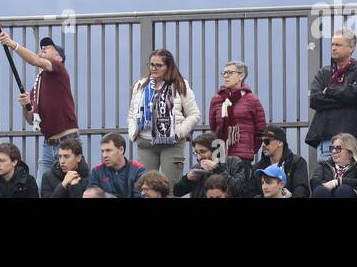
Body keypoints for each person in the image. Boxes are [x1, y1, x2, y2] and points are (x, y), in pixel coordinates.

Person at [0, 30, 79, 187]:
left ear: (59, 58)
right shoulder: (38, 84)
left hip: (68, 141)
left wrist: (12, 44)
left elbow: (35, 60)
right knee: (41, 188)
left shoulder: (58, 69)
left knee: (72, 187)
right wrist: (25, 106)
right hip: (48, 145)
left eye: (49, 47)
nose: (44, 47)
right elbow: (30, 119)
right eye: (43, 46)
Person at [128, 49, 200, 185]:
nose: (153, 68)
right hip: (145, 143)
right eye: (151, 64)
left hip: (171, 144)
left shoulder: (180, 85)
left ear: (168, 66)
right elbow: (132, 113)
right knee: (146, 188)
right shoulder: (141, 85)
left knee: (171, 187)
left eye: (158, 65)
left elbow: (194, 114)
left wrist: (179, 132)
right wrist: (133, 132)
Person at [306, 28, 357, 154]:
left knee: (351, 174)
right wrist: (346, 99)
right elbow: (314, 100)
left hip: (351, 141)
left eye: (338, 45)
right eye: (332, 44)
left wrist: (329, 91)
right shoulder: (324, 73)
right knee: (326, 173)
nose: (333, 48)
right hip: (326, 141)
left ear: (351, 48)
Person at [208, 59, 267, 163]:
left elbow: (261, 129)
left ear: (241, 76)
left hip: (243, 156)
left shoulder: (252, 99)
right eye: (224, 73)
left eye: (230, 73)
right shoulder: (217, 99)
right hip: (220, 155)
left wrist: (250, 149)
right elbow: (214, 128)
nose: (226, 76)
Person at [174, 133, 255, 198]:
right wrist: (187, 180)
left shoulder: (233, 162)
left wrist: (217, 169)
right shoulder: (197, 168)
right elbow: (177, 192)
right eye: (196, 153)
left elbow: (237, 189)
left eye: (202, 152)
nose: (199, 157)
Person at [250, 125, 310, 198]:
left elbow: (301, 191)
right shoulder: (256, 168)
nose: (263, 145)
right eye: (261, 141)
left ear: (280, 143)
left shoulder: (297, 162)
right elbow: (252, 194)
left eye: (267, 141)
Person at [310, 132, 357, 198]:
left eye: (338, 148)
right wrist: (330, 186)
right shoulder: (324, 165)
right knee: (320, 190)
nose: (334, 151)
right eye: (332, 148)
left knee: (343, 190)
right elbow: (314, 181)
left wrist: (337, 182)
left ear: (350, 151)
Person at [86, 132, 145, 198]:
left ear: (121, 150)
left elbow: (139, 196)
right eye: (103, 151)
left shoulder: (137, 170)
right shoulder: (97, 171)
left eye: (108, 150)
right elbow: (91, 195)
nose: (104, 155)